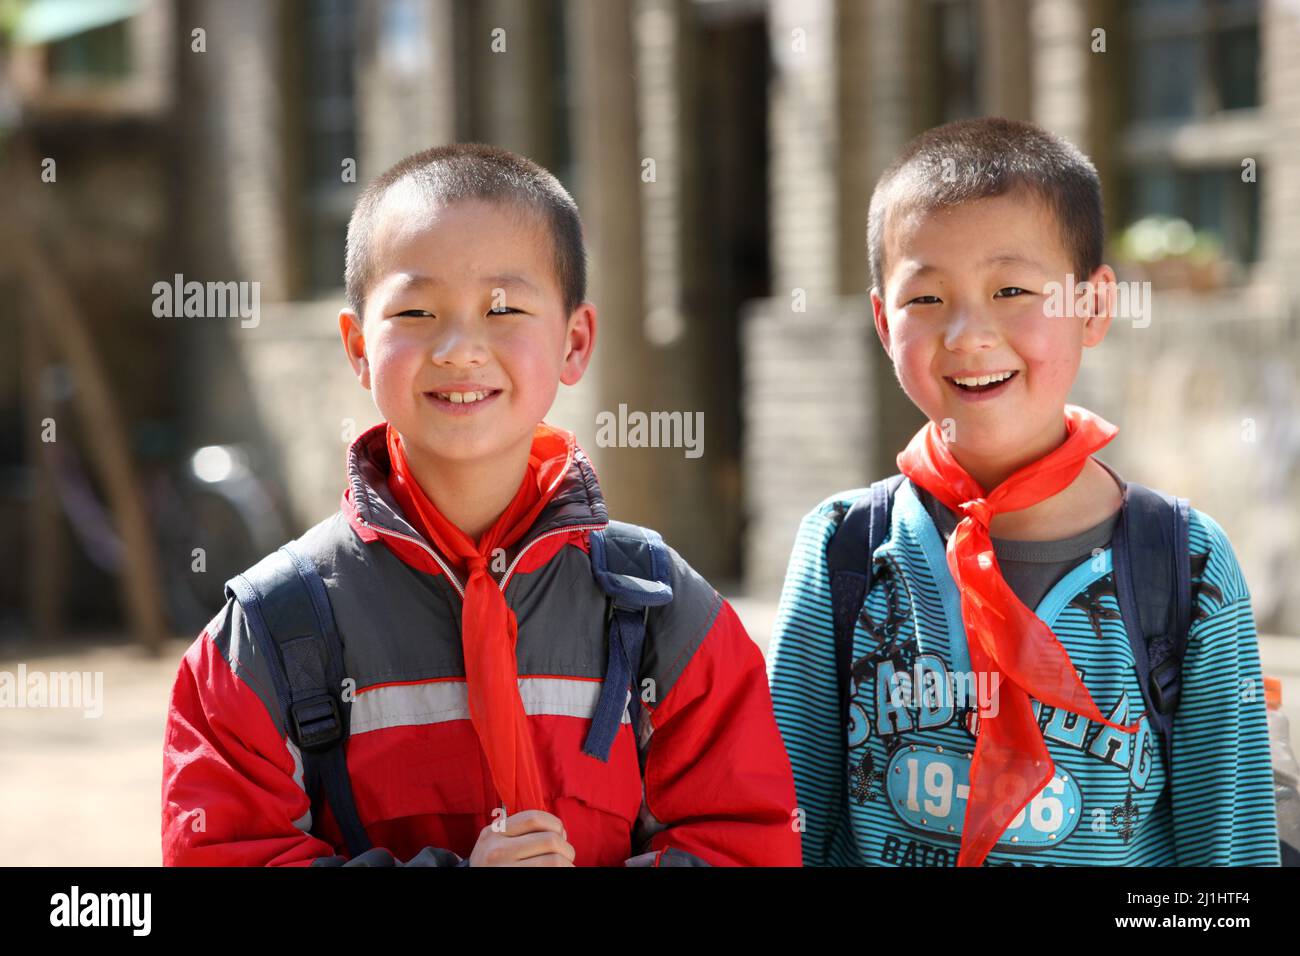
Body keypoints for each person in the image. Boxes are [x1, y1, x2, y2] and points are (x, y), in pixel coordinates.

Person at [161, 143, 802, 867]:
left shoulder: (661, 609)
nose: (461, 348)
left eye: (504, 308)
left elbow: (747, 841)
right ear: (357, 346)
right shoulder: (270, 633)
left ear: (575, 340)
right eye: (417, 310)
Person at [767, 117, 1280, 867]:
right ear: (883, 321)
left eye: (1012, 289)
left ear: (1093, 307)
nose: (969, 333)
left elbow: (1228, 866)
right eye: (927, 299)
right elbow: (786, 827)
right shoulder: (844, 547)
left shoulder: (1184, 566)